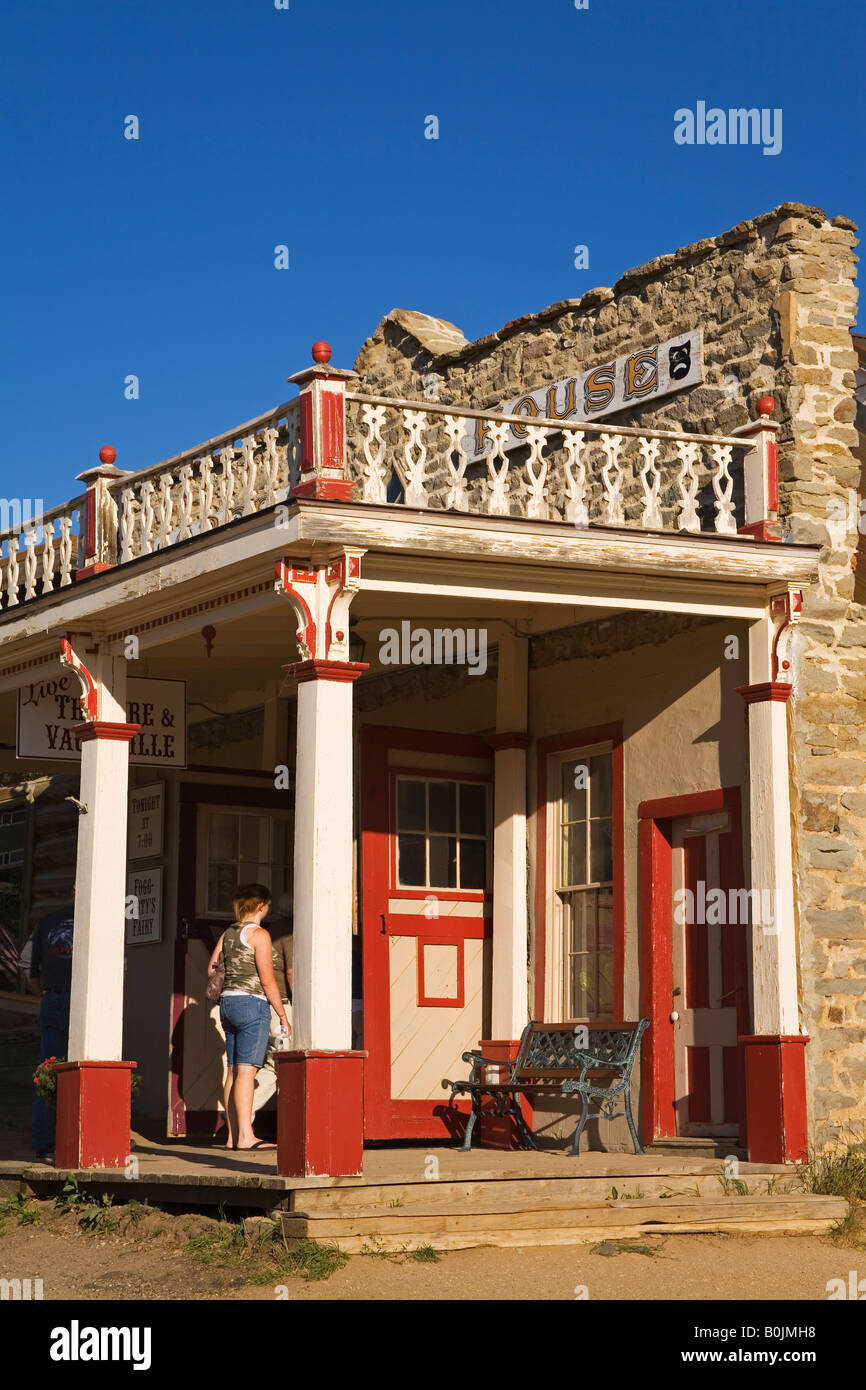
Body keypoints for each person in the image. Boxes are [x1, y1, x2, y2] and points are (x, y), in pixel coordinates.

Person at [208, 883, 290, 1151]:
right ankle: (246, 1137)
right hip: (252, 1004)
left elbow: (212, 967)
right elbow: (267, 980)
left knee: (232, 1070)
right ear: (260, 907)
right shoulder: (259, 935)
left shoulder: (228, 933)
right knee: (247, 1071)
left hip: (227, 1004)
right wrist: (282, 1015)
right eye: (266, 906)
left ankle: (232, 1136)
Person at [28, 897, 75, 1161]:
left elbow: (30, 971)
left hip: (52, 998)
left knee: (48, 1070)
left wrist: (46, 996)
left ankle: (44, 1141)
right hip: (83, 1000)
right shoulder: (97, 919)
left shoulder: (45, 922)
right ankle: (75, 1138)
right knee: (84, 1064)